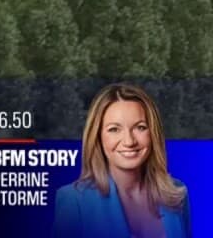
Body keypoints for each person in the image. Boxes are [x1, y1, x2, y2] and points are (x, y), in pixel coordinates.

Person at [54, 83, 191, 238]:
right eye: (114, 129)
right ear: (97, 137)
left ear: (153, 133)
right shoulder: (74, 200)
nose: (129, 141)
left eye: (140, 127)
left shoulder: (176, 194)